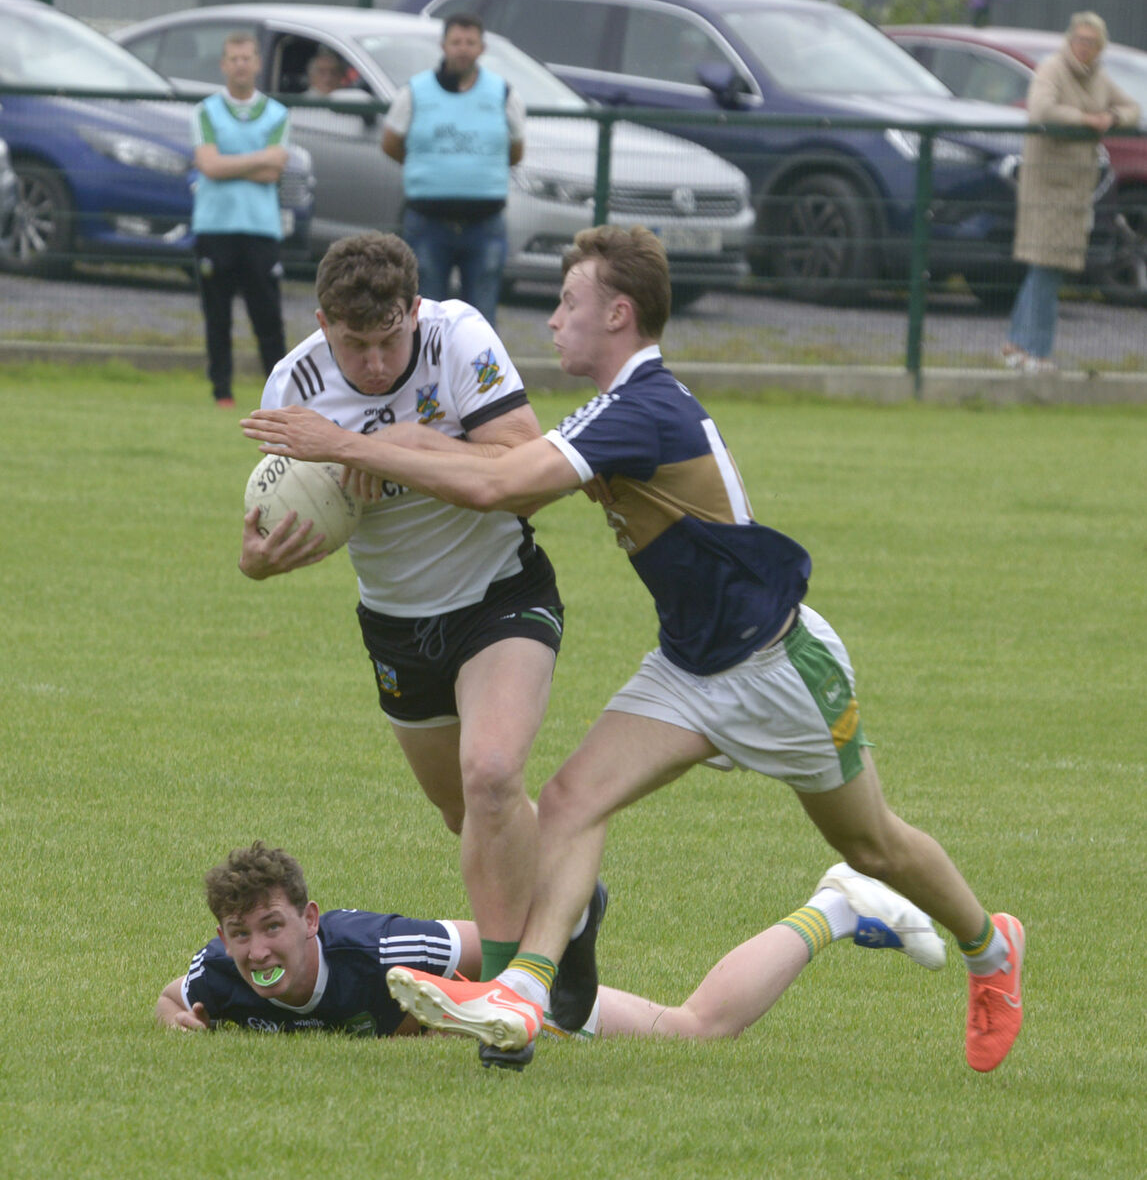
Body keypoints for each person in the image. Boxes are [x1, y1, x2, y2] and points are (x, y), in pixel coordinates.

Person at [240, 224, 1026, 1076]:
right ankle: (521, 992)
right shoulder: (611, 406)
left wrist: (352, 444)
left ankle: (991, 950)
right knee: (572, 799)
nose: (550, 322)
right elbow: (491, 459)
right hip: (688, 667)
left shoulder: (642, 408)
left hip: (774, 664)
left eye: (567, 303)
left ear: (616, 313)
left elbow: (505, 484)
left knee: (872, 843)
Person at [236, 231, 567, 996]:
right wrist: (260, 560)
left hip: (500, 597)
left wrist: (380, 445)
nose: (377, 364)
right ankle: (571, 908)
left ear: (412, 311)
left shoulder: (457, 340)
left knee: (490, 777)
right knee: (471, 819)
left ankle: (516, 991)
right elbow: (297, 516)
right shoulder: (293, 385)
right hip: (395, 622)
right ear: (323, 323)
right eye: (356, 345)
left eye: (390, 340)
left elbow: (525, 468)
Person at [156, 842, 945, 1046]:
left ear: (310, 919)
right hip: (480, 1025)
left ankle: (834, 905)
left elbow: (494, 939)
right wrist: (172, 1018)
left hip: (510, 1010)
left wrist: (530, 996)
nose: (257, 949)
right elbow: (172, 997)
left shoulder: (379, 950)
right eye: (240, 933)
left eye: (271, 927)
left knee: (696, 1029)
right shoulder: (221, 974)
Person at [1002, 11, 1139, 374]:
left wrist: (1110, 119)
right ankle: (1035, 352)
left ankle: (1017, 344)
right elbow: (1042, 109)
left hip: (1076, 189)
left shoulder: (1099, 78)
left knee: (1048, 269)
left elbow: (1132, 109)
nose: (1084, 47)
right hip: (1047, 185)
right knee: (1046, 268)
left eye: (1091, 42)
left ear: (1100, 46)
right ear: (1069, 39)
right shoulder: (1052, 70)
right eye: (1079, 39)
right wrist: (1085, 119)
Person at [381, 12, 524, 329]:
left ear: (482, 48)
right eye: (456, 42)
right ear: (443, 45)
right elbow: (391, 142)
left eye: (470, 42)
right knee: (427, 315)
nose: (463, 49)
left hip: (485, 225)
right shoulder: (415, 92)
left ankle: (482, 380)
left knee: (481, 320)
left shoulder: (503, 94)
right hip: (428, 223)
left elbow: (515, 150)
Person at [191, 31, 290, 408]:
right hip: (214, 227)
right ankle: (222, 392)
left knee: (268, 317)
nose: (240, 65)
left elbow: (274, 171)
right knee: (217, 317)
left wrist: (226, 163)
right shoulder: (206, 112)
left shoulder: (278, 114)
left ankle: (280, 394)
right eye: (233, 59)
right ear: (223, 64)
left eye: (247, 58)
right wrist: (256, 158)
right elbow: (208, 165)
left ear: (258, 63)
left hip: (261, 228)